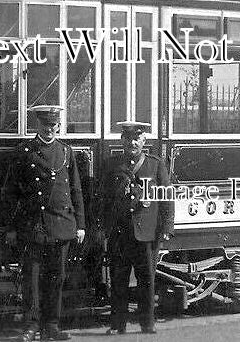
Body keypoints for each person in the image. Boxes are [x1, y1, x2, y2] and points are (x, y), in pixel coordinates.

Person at [5, 106, 86, 342]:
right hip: (34, 226)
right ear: (37, 126)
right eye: (44, 126)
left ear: (58, 127)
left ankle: (51, 325)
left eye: (53, 126)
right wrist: (11, 227)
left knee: (56, 277)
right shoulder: (24, 151)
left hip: (61, 224)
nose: (49, 130)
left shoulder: (65, 152)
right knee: (32, 278)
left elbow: (75, 190)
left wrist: (80, 224)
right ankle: (31, 326)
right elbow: (11, 192)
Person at [96, 121, 174, 335]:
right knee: (118, 280)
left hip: (147, 233)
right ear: (122, 140)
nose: (132, 142)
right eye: (128, 138)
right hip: (119, 233)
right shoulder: (111, 165)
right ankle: (117, 325)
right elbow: (102, 198)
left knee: (147, 280)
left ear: (144, 141)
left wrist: (167, 226)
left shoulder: (155, 165)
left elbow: (167, 198)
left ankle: (147, 324)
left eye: (137, 138)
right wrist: (102, 227)